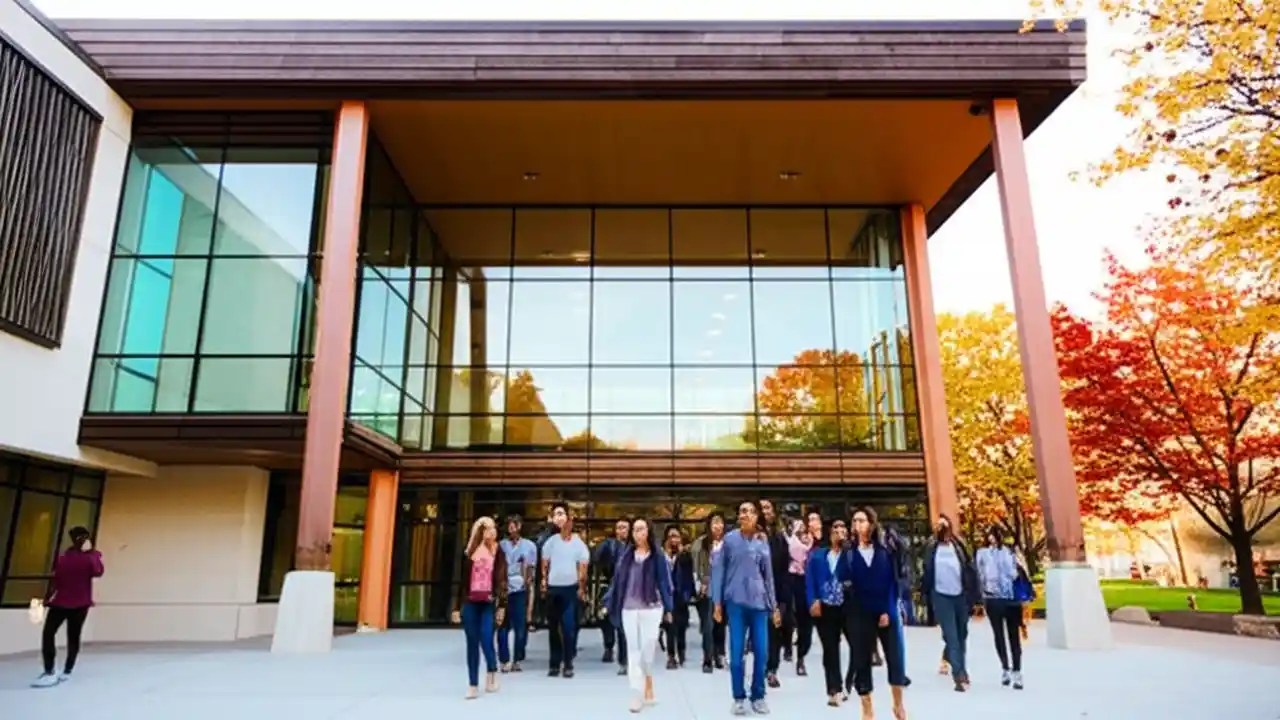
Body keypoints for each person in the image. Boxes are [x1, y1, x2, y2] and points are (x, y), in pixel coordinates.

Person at [712, 500, 780, 716]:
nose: (747, 515)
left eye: (751, 512)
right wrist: (717, 603)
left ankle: (758, 695)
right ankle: (738, 696)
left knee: (761, 651)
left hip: (759, 604)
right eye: (743, 511)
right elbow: (718, 572)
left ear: (757, 517)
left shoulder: (762, 542)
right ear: (738, 516)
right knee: (737, 651)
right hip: (736, 604)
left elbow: (768, 576)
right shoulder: (729, 541)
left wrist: (774, 606)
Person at [603, 517, 675, 714]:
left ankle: (648, 678)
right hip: (629, 608)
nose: (638, 533)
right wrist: (608, 603)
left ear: (648, 532)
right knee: (633, 651)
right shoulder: (626, 556)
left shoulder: (657, 556)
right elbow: (617, 583)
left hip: (652, 607)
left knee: (648, 648)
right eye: (635, 530)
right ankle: (636, 693)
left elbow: (665, 583)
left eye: (641, 529)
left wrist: (669, 608)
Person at [845, 507, 908, 720]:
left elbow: (893, 583)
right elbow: (843, 579)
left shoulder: (885, 550)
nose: (857, 525)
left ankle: (898, 705)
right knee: (861, 659)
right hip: (860, 613)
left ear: (871, 524)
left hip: (886, 610)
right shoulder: (850, 553)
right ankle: (867, 708)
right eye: (854, 521)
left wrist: (888, 610)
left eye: (862, 521)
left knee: (895, 657)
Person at [32, 526, 103, 688]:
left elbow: (97, 572)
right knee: (54, 634)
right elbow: (56, 579)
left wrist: (91, 554)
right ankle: (55, 671)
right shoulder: (67, 557)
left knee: (67, 635)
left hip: (75, 603)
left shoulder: (81, 557)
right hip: (64, 602)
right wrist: (47, 598)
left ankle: (62, 670)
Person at [451, 516, 509, 699]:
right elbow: (461, 582)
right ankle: (473, 683)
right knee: (472, 643)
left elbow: (502, 580)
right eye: (488, 529)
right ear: (479, 531)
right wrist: (456, 607)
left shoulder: (498, 551)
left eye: (494, 529)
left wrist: (502, 605)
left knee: (486, 638)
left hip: (488, 602)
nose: (492, 532)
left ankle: (492, 670)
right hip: (470, 602)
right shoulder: (469, 553)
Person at [922, 513, 978, 692]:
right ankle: (960, 675)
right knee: (952, 636)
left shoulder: (959, 546)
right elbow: (926, 570)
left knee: (962, 634)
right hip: (941, 596)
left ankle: (955, 662)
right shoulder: (932, 547)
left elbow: (969, 569)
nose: (942, 529)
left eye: (944, 525)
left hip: (960, 596)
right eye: (939, 526)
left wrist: (975, 597)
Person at [541, 501, 590, 678]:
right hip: (554, 589)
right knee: (553, 628)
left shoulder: (579, 544)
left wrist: (581, 588)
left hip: (571, 589)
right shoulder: (551, 542)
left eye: (567, 521)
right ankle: (554, 664)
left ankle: (568, 663)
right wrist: (544, 581)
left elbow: (583, 567)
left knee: (568, 627)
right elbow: (545, 562)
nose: (565, 524)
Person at [806, 516, 850, 707]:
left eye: (842, 528)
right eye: (835, 528)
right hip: (825, 607)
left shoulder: (851, 555)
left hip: (848, 607)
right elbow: (809, 580)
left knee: (858, 648)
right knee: (830, 649)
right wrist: (812, 600)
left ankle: (849, 682)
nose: (838, 531)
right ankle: (834, 689)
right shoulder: (818, 555)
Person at [976, 527, 1024, 690]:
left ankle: (1016, 670)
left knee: (1013, 636)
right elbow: (980, 575)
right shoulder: (983, 553)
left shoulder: (1008, 552)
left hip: (1010, 598)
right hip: (993, 597)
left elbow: (1015, 573)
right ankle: (1006, 668)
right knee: (999, 635)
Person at [498, 514, 537, 672]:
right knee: (502, 626)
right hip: (504, 589)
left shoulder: (529, 546)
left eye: (513, 525)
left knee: (521, 627)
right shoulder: (501, 546)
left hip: (520, 589)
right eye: (509, 526)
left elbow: (531, 570)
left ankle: (517, 659)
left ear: (520, 526)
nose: (511, 529)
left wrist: (530, 591)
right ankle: (504, 659)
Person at [690, 510, 728, 673]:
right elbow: (696, 567)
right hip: (707, 588)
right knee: (708, 625)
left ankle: (720, 654)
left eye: (720, 522)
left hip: (725, 588)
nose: (718, 526)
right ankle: (707, 658)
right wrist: (701, 584)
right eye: (714, 522)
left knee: (721, 624)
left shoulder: (729, 542)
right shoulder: (701, 543)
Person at [758, 499, 790, 690]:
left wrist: (783, 599)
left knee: (773, 633)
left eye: (768, 508)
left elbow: (784, 569)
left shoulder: (779, 538)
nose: (765, 512)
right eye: (761, 508)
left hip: (776, 592)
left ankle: (771, 670)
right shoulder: (748, 537)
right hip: (752, 592)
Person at [594, 518, 631, 671]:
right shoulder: (609, 545)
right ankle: (609, 646)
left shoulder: (634, 547)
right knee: (607, 620)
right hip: (610, 585)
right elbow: (596, 558)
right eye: (619, 527)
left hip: (629, 589)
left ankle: (624, 660)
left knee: (623, 626)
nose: (621, 530)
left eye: (624, 527)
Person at [784, 516, 815, 677]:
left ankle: (801, 656)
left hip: (807, 582)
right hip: (791, 580)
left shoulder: (813, 546)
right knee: (788, 618)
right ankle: (788, 647)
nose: (803, 533)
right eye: (799, 530)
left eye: (804, 530)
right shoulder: (788, 543)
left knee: (806, 625)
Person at [662, 525, 695, 669]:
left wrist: (689, 594)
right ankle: (670, 656)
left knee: (681, 627)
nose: (673, 540)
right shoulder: (661, 556)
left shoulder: (685, 556)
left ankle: (681, 651)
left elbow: (689, 576)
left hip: (681, 596)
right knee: (670, 626)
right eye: (670, 536)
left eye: (676, 536)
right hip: (667, 596)